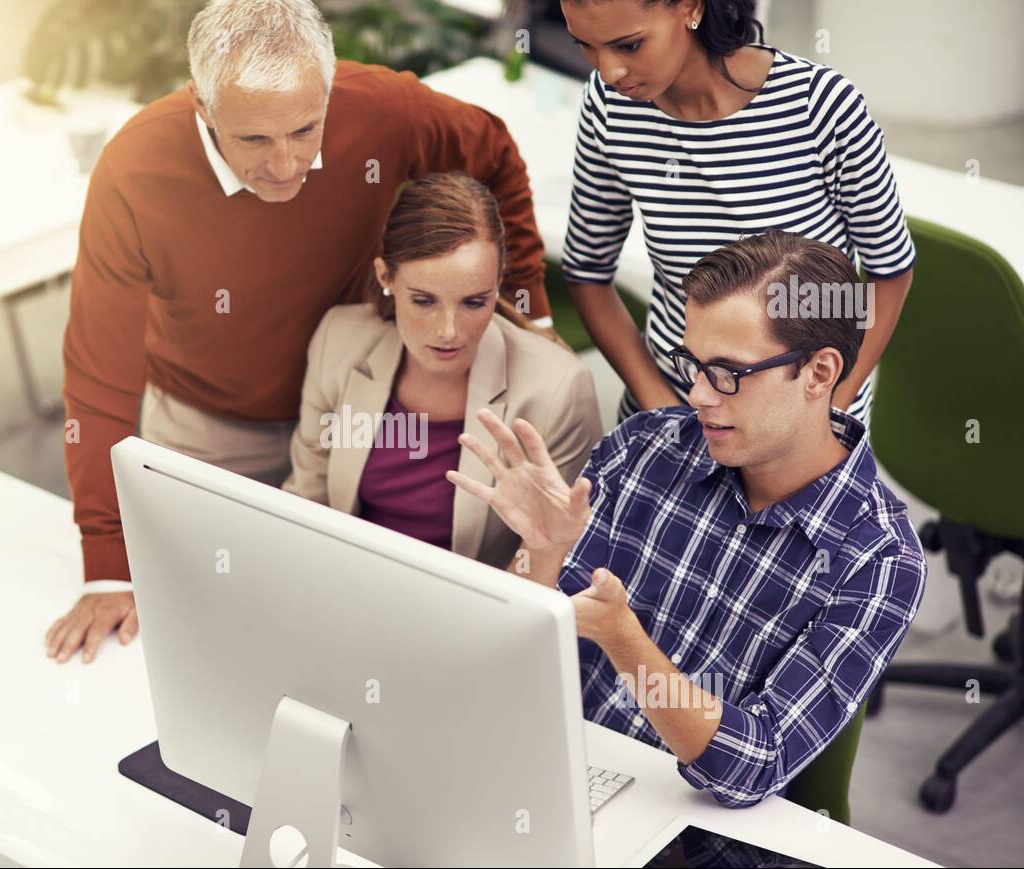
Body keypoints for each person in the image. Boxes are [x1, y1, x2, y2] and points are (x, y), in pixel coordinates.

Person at [46, 0, 555, 662]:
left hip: (352, 413)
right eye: (255, 139)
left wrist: (531, 313)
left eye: (305, 130)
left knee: (337, 638)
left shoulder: (382, 109)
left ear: (328, 88)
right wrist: (109, 563)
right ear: (204, 109)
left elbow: (493, 153)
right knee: (192, 641)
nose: (285, 165)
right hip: (206, 431)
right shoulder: (133, 170)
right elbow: (99, 376)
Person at [447, 230, 928, 807]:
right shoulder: (645, 449)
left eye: (726, 372)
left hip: (693, 838)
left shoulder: (880, 560)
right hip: (553, 771)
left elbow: (754, 766)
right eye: (693, 364)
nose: (697, 393)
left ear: (820, 373)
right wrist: (542, 554)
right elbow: (509, 656)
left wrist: (624, 639)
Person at [559, 0, 914, 424]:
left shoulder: (819, 106)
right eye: (586, 46)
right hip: (677, 409)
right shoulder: (608, 107)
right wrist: (660, 406)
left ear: (690, 7)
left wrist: (832, 405)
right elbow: (587, 272)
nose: (609, 71)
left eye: (630, 46)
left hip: (805, 418)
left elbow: (889, 270)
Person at [284, 172, 601, 568]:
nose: (448, 332)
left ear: (498, 282)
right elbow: (305, 503)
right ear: (386, 277)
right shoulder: (340, 340)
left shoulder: (558, 389)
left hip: (476, 615)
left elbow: (547, 561)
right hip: (341, 581)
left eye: (473, 302)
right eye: (423, 301)